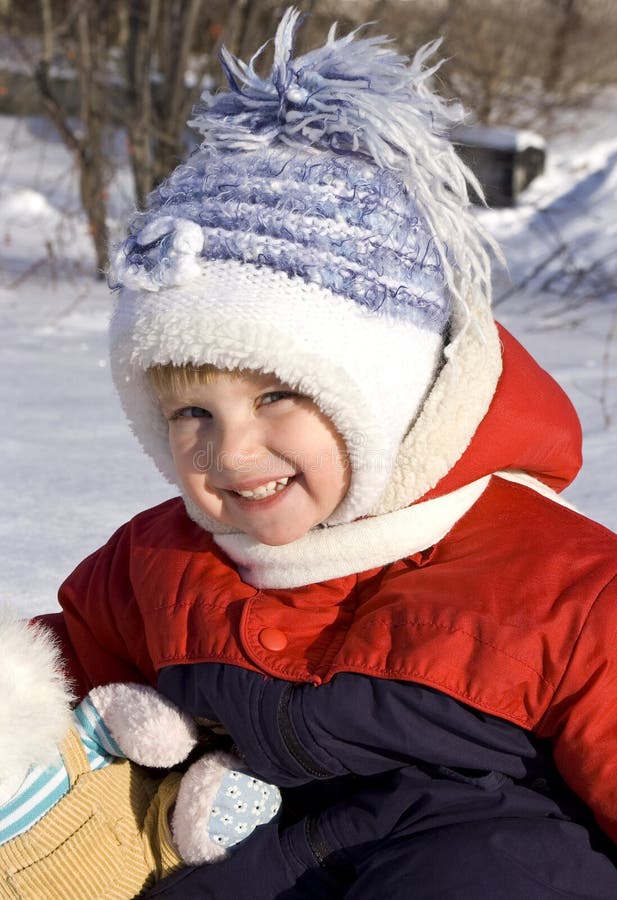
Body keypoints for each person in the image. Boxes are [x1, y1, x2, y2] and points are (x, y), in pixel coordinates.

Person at [37, 8, 617, 898]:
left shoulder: (559, 586)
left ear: (382, 397)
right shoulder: (156, 565)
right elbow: (58, 672)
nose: (231, 449)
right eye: (190, 410)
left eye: (276, 394)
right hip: (254, 859)